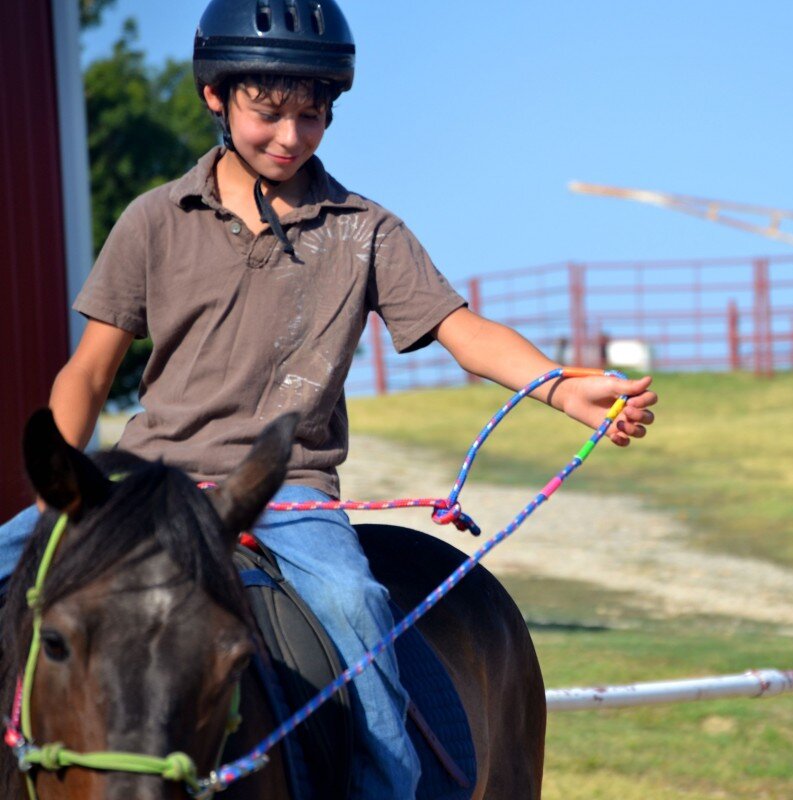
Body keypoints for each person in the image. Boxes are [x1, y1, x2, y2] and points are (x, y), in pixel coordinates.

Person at [0, 0, 657, 796]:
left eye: (311, 116)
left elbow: (461, 330)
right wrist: (62, 494)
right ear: (217, 95)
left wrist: (561, 388)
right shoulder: (154, 221)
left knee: (352, 602)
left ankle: (388, 782)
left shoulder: (364, 230)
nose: (289, 136)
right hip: (152, 490)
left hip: (288, 498)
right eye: (267, 112)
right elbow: (89, 371)